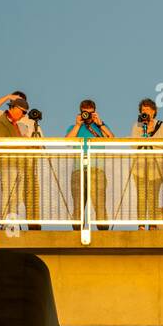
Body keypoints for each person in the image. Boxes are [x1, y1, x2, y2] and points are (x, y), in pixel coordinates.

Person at [0, 91, 40, 229]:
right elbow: (5, 143)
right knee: (9, 194)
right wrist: (8, 97)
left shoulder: (16, 123)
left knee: (15, 197)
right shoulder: (1, 121)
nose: (23, 115)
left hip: (19, 164)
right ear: (14, 108)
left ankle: (12, 222)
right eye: (22, 112)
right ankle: (7, 223)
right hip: (8, 164)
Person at [66, 99, 114, 230]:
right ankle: (77, 233)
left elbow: (112, 140)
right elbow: (67, 142)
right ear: (80, 113)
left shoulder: (100, 126)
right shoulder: (74, 127)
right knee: (78, 204)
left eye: (90, 113)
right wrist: (77, 125)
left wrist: (100, 124)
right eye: (84, 113)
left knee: (99, 204)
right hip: (78, 169)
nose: (87, 116)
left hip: (97, 169)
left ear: (95, 113)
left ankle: (103, 232)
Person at [129, 98, 163, 229]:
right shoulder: (137, 126)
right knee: (141, 196)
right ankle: (141, 225)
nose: (145, 112)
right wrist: (143, 133)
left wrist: (151, 135)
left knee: (153, 196)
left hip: (156, 167)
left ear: (154, 111)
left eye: (147, 110)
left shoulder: (161, 125)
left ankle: (152, 224)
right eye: (143, 110)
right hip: (139, 166)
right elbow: (133, 145)